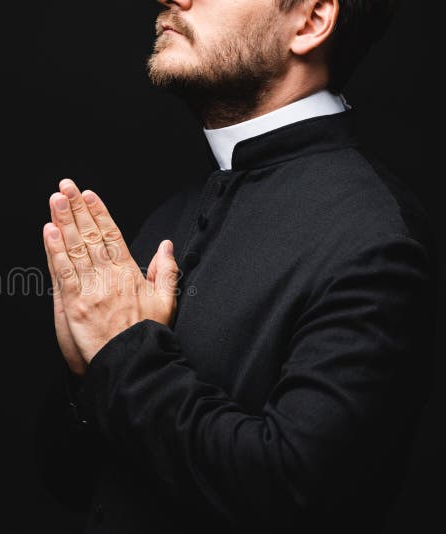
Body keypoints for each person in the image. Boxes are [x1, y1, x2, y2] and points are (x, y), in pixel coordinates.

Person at [35, 1, 438, 532]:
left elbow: (292, 495)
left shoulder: (375, 238)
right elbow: (74, 485)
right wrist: (87, 375)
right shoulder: (169, 216)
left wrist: (124, 355)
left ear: (313, 19)